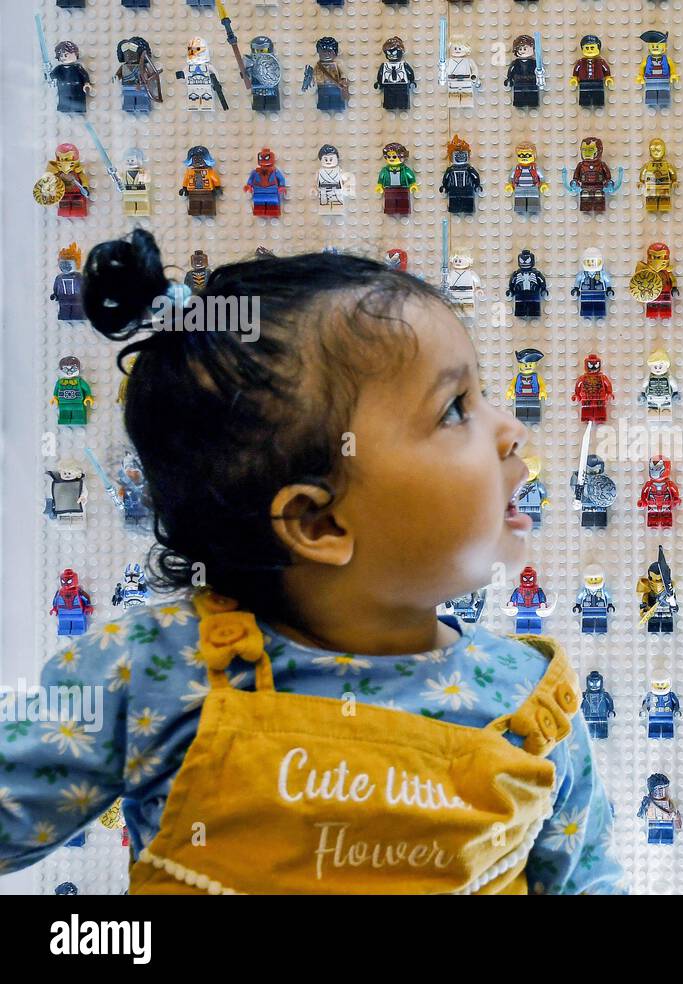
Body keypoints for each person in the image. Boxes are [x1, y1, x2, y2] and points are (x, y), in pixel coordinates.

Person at [0, 230, 623, 896]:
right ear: (318, 523)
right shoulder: (154, 668)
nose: (510, 429)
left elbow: (587, 883)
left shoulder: (532, 704)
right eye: (454, 409)